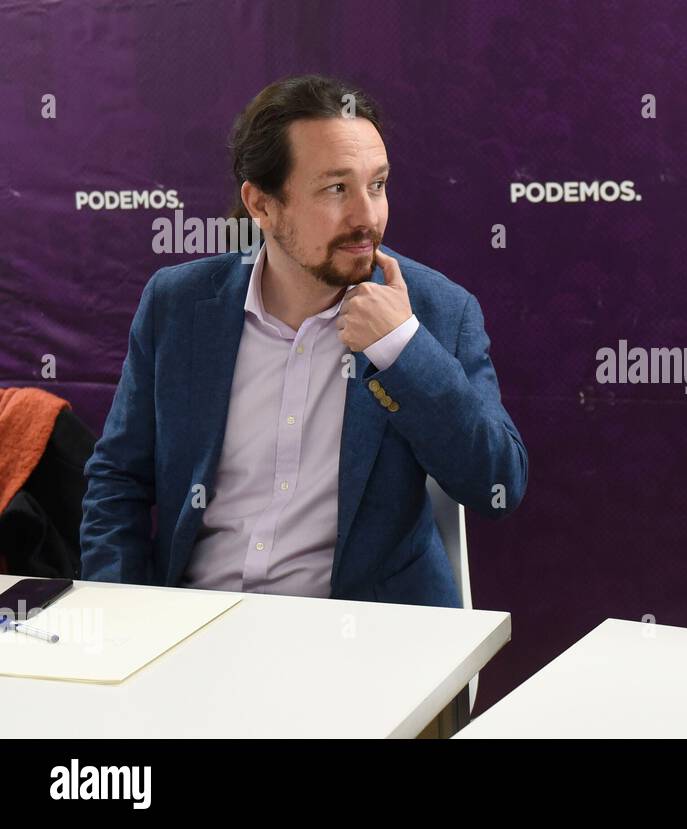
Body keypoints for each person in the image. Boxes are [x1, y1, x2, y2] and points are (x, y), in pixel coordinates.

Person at [81, 75, 528, 607]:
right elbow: (118, 480)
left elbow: (497, 484)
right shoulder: (178, 305)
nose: (368, 216)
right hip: (196, 627)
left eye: (378, 185)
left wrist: (402, 350)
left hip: (362, 643)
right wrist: (121, 614)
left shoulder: (436, 312)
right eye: (337, 189)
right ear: (263, 205)